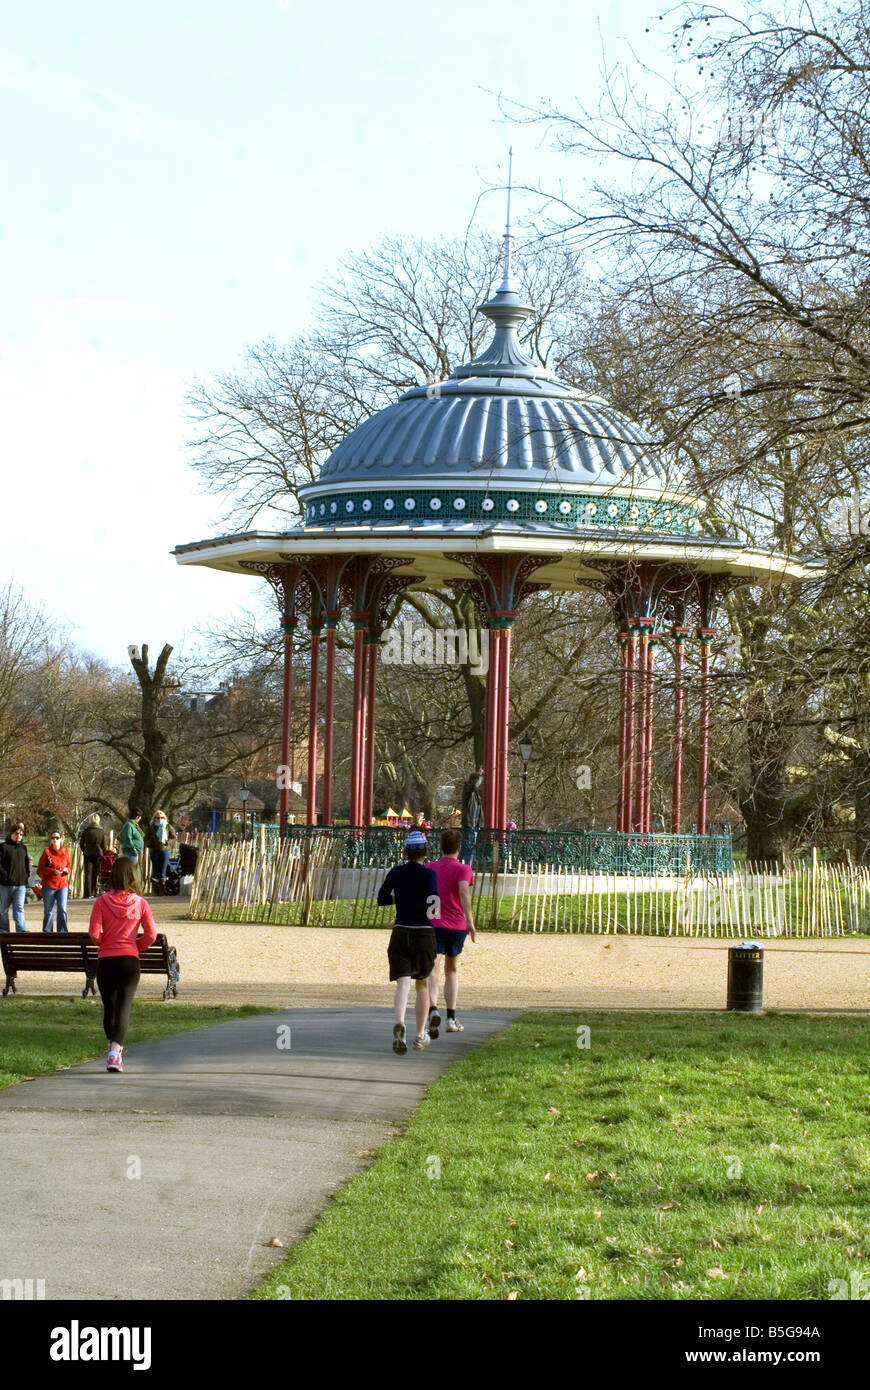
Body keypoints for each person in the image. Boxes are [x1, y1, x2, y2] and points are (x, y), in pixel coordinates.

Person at [88, 855, 157, 1073]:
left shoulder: (101, 902)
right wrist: (137, 944)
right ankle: (115, 1052)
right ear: (132, 876)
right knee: (124, 1006)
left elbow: (94, 935)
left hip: (107, 959)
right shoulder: (140, 903)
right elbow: (151, 935)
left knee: (110, 1007)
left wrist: (104, 940)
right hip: (129, 960)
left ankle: (112, 1048)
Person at [377, 829, 440, 1054]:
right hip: (423, 931)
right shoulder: (429, 875)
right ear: (425, 851)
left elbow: (382, 898)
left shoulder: (396, 873)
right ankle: (420, 1033)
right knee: (421, 983)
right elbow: (434, 902)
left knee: (403, 982)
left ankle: (399, 1022)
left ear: (406, 851)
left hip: (400, 931)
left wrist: (401, 898)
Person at [427, 828, 476, 1035]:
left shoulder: (430, 868)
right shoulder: (463, 869)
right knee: (452, 970)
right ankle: (451, 1017)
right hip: (455, 924)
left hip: (434, 922)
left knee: (433, 968)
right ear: (459, 847)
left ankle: (432, 1009)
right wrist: (470, 921)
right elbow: (464, 891)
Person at [38, 831, 71, 933]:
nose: (55, 840)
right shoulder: (47, 852)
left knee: (62, 909)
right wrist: (53, 871)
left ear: (61, 839)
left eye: (57, 838)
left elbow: (69, 866)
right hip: (49, 885)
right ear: (50, 840)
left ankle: (62, 932)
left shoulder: (66, 852)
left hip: (62, 885)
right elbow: (40, 869)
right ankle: (47, 932)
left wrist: (66, 870)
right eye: (53, 838)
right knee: (49, 911)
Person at [0, 823, 31, 933]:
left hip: (20, 885)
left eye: (21, 834)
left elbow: (26, 865)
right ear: (11, 834)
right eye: (16, 833)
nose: (19, 836)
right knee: (3, 910)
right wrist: (5, 877)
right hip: (5, 885)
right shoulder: (4, 847)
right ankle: (3, 931)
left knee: (19, 909)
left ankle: (21, 930)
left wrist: (26, 876)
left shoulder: (23, 848)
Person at [146, 810, 175, 894]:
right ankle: (155, 891)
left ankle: (162, 891)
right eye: (158, 818)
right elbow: (146, 838)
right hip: (154, 851)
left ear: (164, 818)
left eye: (162, 817)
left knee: (163, 871)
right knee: (155, 871)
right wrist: (152, 844)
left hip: (165, 850)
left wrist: (167, 842)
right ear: (154, 819)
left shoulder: (168, 826)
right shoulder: (151, 827)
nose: (160, 819)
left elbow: (173, 838)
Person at [460, 768, 484, 864]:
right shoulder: (468, 789)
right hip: (469, 824)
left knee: (471, 846)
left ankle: (468, 865)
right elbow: (474, 785)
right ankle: (467, 866)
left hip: (474, 824)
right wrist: (480, 775)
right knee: (469, 846)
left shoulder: (475, 794)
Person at [79, 814, 106, 898]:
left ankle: (87, 893)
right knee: (95, 874)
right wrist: (103, 852)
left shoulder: (86, 831)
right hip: (98, 854)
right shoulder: (101, 832)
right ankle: (93, 893)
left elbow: (81, 843)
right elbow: (104, 845)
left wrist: (85, 849)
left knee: (87, 874)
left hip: (88, 854)